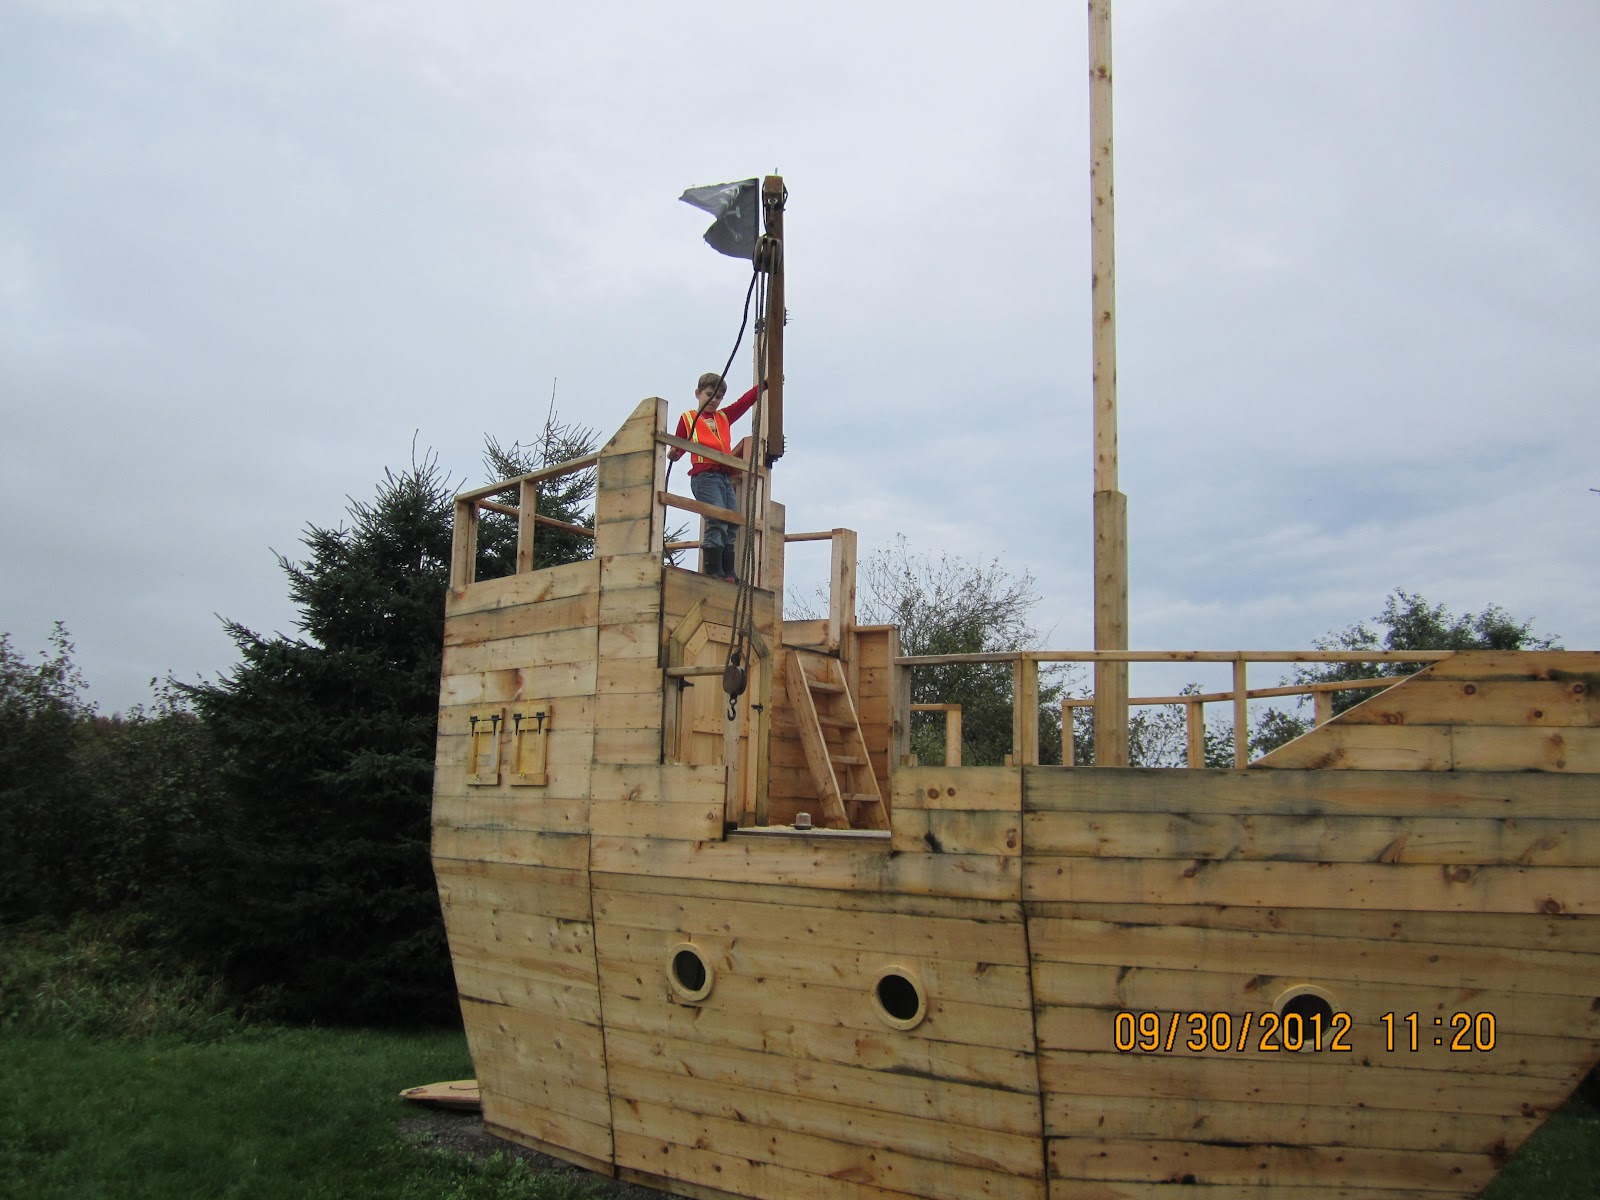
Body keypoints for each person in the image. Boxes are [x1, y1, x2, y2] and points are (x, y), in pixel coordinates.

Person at [667, 372, 763, 581]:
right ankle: (713, 570)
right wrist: (675, 453)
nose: (713, 401)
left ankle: (727, 570)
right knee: (718, 519)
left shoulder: (723, 417)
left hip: (723, 476)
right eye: (709, 395)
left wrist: (763, 386)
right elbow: (679, 443)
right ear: (698, 393)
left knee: (733, 520)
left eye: (718, 397)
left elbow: (743, 403)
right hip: (704, 476)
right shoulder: (689, 418)